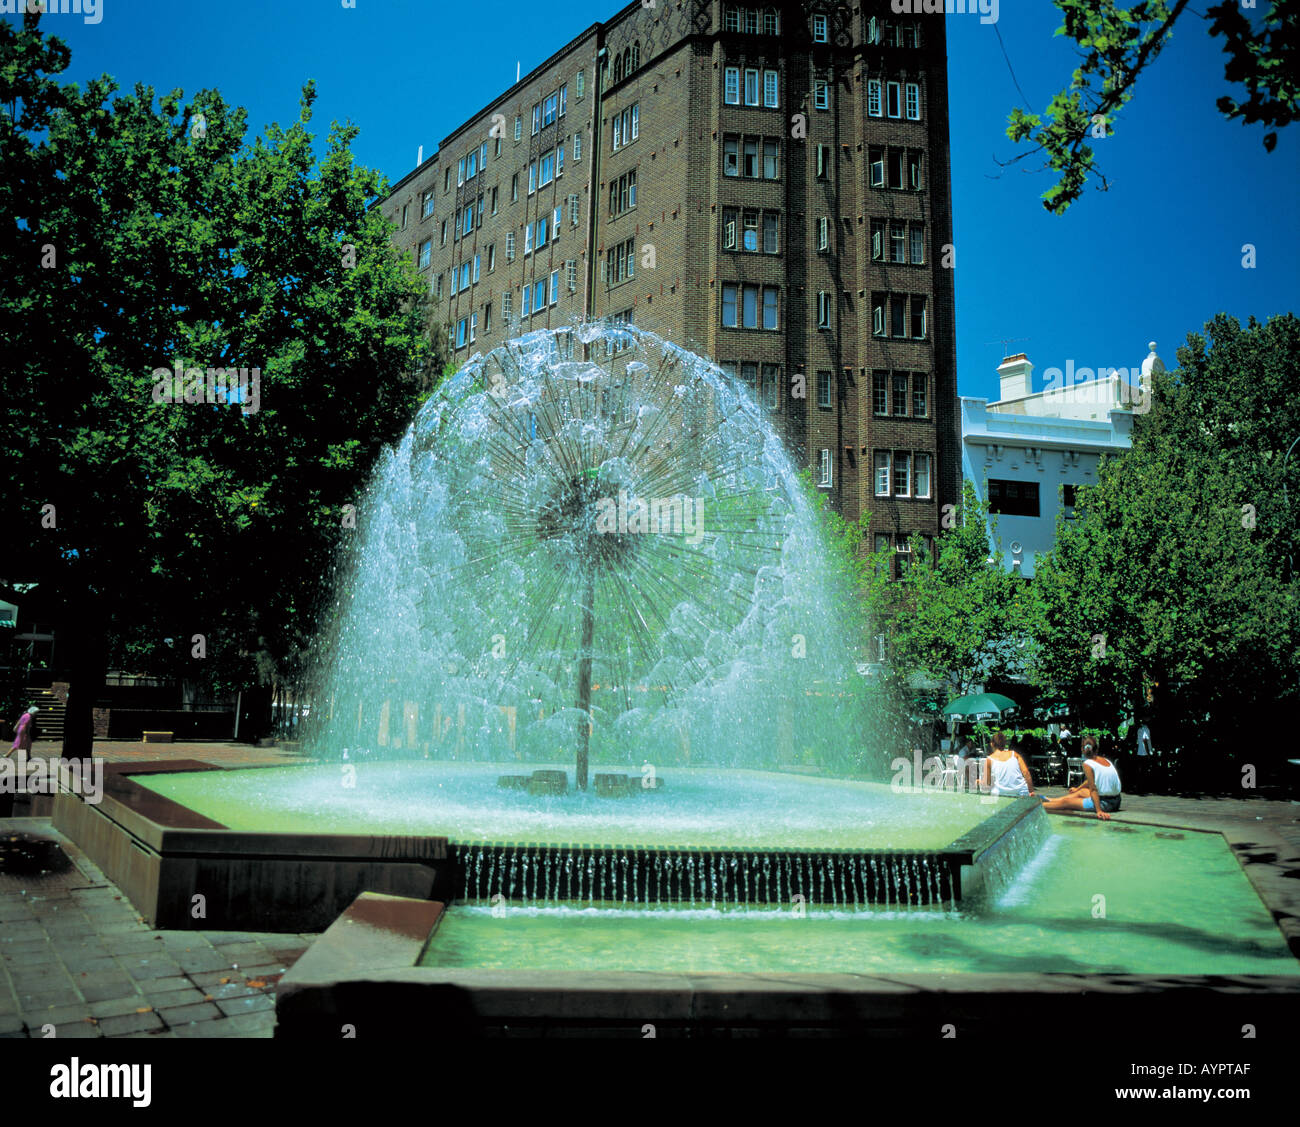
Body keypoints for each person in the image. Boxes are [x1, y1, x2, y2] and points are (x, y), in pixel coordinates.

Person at [1042, 735, 1121, 819]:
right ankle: (1050, 800)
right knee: (1082, 792)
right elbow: (1091, 781)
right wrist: (1078, 789)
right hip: (1117, 800)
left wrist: (1099, 811)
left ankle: (1039, 806)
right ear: (1097, 748)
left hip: (1104, 804)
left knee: (1066, 803)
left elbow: (1093, 788)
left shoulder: (1088, 764)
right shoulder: (1106, 760)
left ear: (1082, 749)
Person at [981, 731, 1037, 798]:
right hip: (1021, 792)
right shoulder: (1014, 754)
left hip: (1002, 794)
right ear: (1005, 744)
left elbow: (987, 783)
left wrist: (979, 782)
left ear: (992, 744)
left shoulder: (989, 759)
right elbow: (1026, 773)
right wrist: (1031, 791)